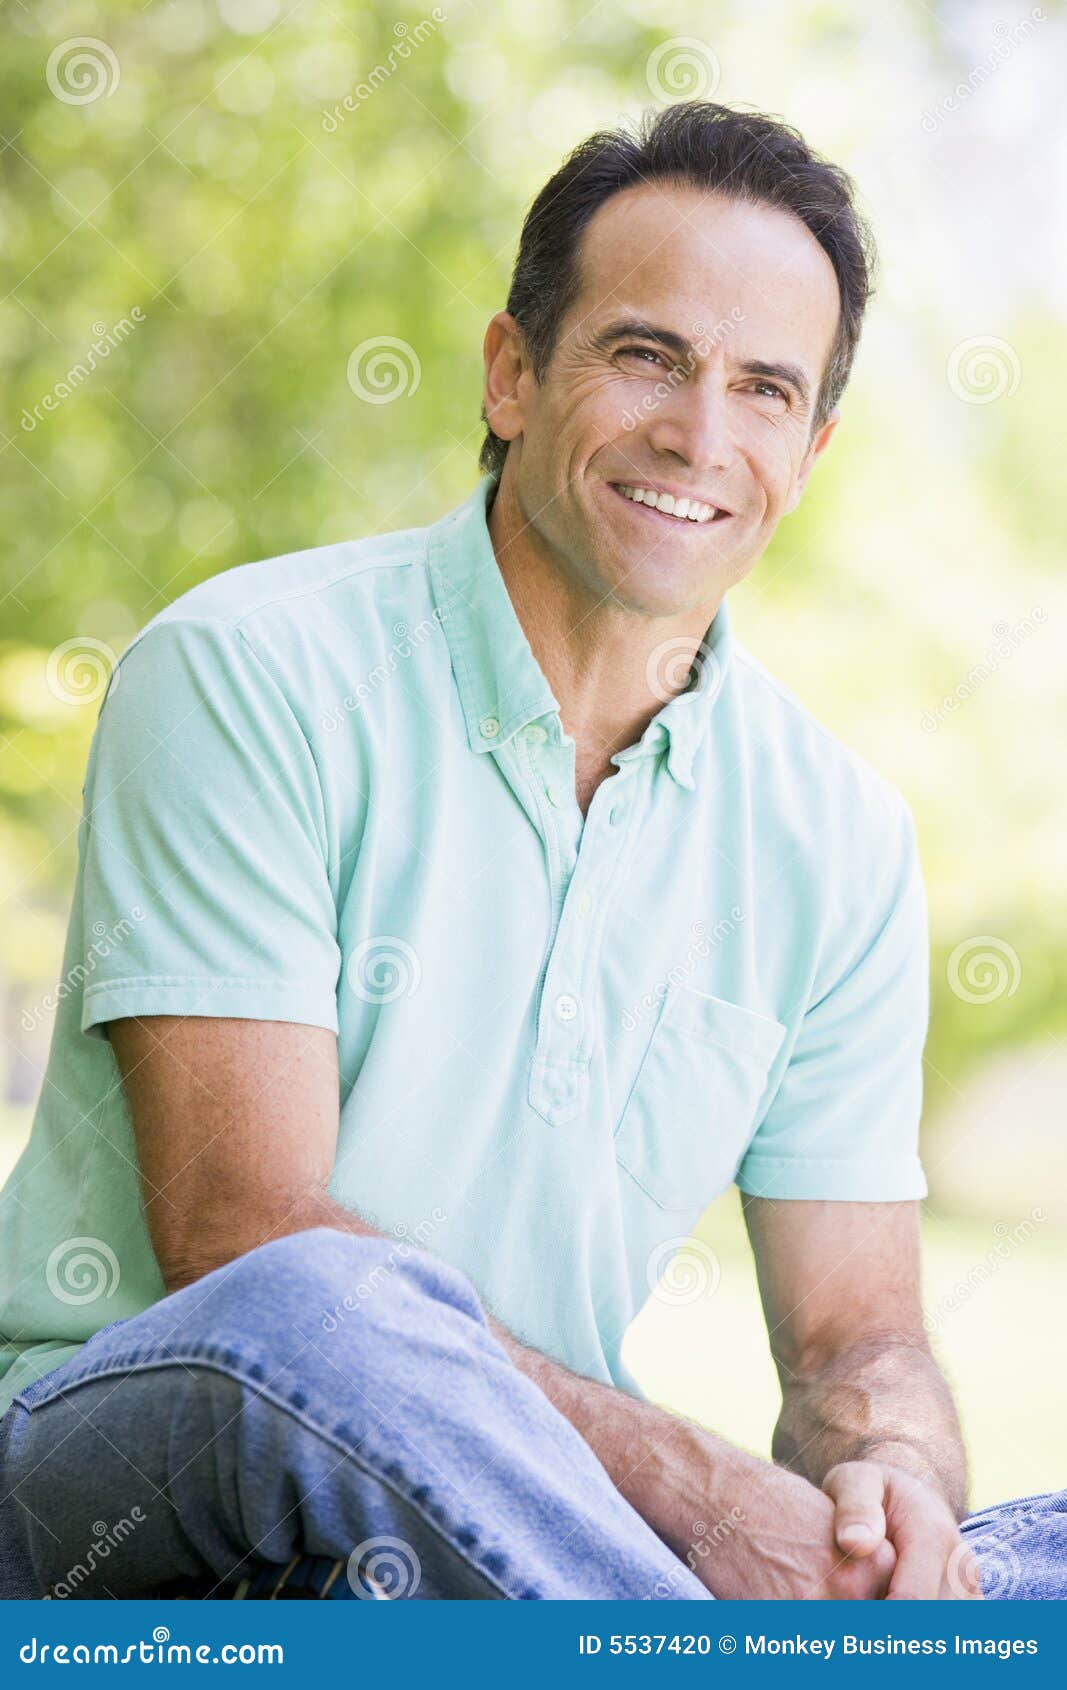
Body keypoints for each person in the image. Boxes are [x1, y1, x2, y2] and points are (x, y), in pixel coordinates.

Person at [0, 101, 1062, 1603]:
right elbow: (243, 1245)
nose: (702, 434)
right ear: (512, 374)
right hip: (119, 1490)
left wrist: (885, 1480)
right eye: (648, 356)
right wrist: (703, 1503)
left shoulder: (838, 839)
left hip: (526, 1537)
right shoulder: (249, 673)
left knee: (1031, 1554)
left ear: (811, 453)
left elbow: (854, 1340)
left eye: (765, 389)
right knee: (321, 1305)